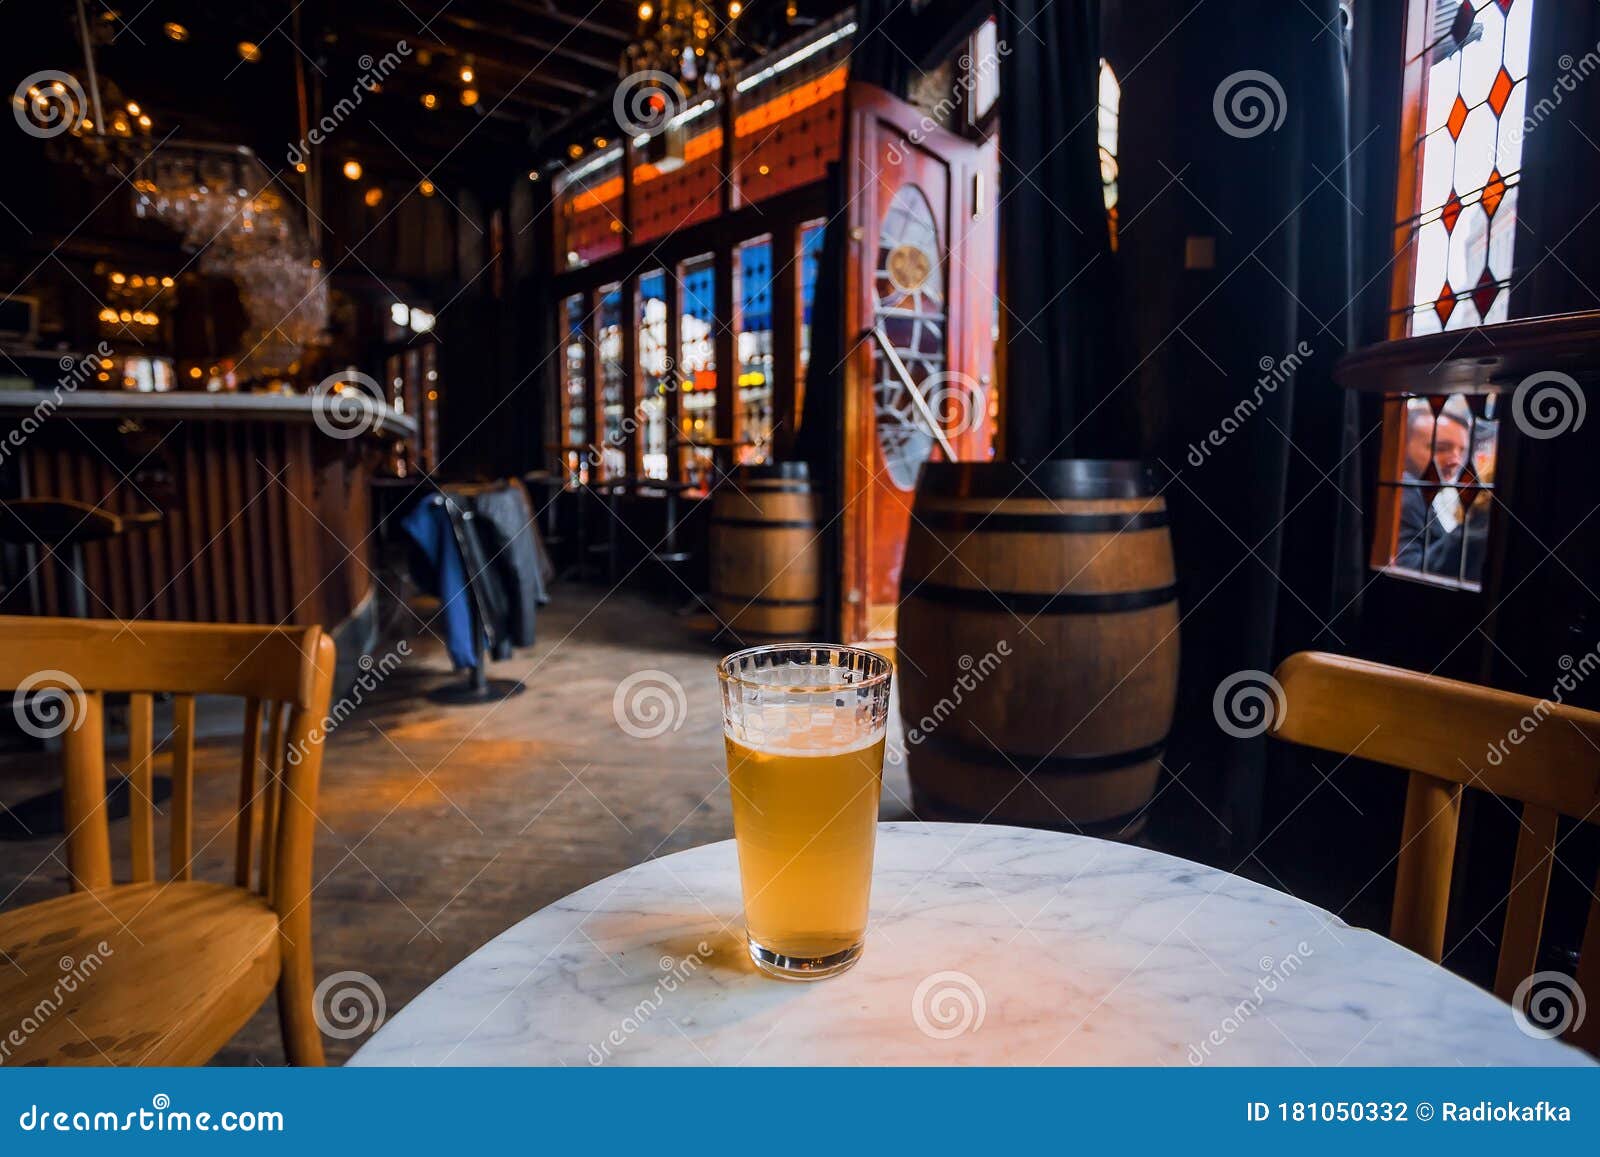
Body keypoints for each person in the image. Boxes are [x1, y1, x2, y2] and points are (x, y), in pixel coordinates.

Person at [1395, 407, 1468, 571]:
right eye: (1440, 448)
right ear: (1402, 446)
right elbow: (1406, 568)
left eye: (1461, 451)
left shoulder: (1427, 492)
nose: (1456, 461)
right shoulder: (1405, 492)